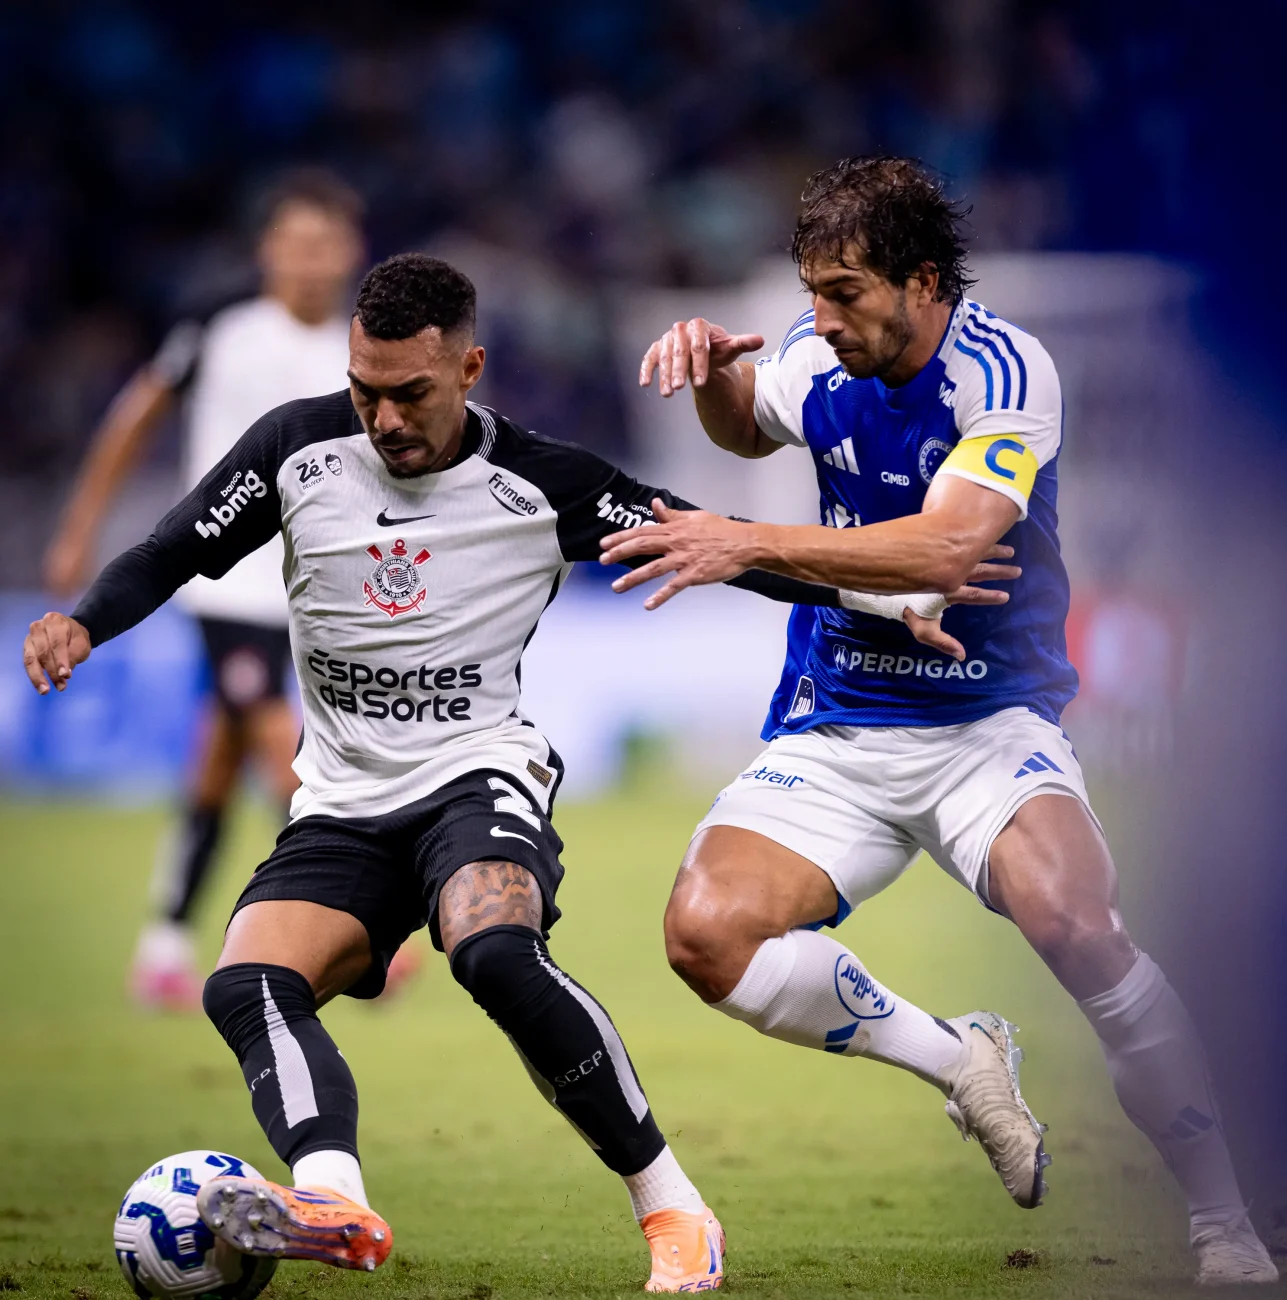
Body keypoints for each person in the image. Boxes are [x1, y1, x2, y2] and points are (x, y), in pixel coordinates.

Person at [607, 155, 1276, 1287]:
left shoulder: (1005, 371)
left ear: (924, 282)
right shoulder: (819, 356)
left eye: (846, 292)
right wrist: (717, 376)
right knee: (703, 935)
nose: (819, 320)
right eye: (810, 290)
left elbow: (951, 544)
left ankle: (1225, 1222)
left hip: (989, 724)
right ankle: (960, 1059)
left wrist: (748, 540)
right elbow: (746, 432)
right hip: (841, 725)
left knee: (1077, 928)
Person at [43, 170, 368, 1009]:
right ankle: (349, 923)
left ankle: (161, 945)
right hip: (225, 585)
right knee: (281, 749)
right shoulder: (220, 328)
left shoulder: (359, 349)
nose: (309, 260)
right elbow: (136, 414)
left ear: (349, 253)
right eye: (294, 243)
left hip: (316, 594)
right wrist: (82, 524)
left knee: (216, 766)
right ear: (267, 249)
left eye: (324, 244)